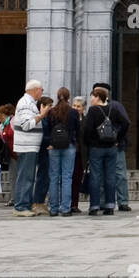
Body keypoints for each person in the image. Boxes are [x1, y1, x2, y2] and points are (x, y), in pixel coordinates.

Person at [12, 80, 49, 216]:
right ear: (35, 90)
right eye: (41, 89)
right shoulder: (26, 104)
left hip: (29, 145)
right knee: (26, 177)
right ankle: (21, 207)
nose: (42, 92)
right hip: (27, 146)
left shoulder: (29, 103)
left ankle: (25, 205)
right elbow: (27, 125)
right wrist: (42, 115)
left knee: (28, 176)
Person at [83, 86, 121, 214]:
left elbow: (87, 129)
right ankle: (110, 206)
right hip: (111, 147)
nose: (91, 100)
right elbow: (126, 123)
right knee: (110, 176)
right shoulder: (113, 109)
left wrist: (89, 142)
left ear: (98, 97)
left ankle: (94, 206)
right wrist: (117, 138)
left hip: (96, 148)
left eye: (92, 97)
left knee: (95, 177)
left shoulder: (93, 110)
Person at [44, 88, 80, 217]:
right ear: (69, 97)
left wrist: (49, 143)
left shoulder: (52, 112)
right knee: (67, 178)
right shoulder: (73, 112)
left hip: (53, 147)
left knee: (54, 177)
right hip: (69, 145)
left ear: (57, 96)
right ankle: (65, 208)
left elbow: (47, 130)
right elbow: (77, 129)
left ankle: (53, 209)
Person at [100, 84, 133, 212]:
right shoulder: (95, 107)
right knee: (102, 175)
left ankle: (123, 201)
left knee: (120, 174)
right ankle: (104, 202)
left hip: (116, 146)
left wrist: (118, 139)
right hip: (101, 146)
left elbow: (125, 123)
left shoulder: (116, 106)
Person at [0, 103, 15, 204]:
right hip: (10, 154)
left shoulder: (14, 121)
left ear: (3, 114)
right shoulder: (2, 125)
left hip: (19, 153)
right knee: (12, 176)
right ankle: (13, 198)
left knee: (20, 176)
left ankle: (20, 198)